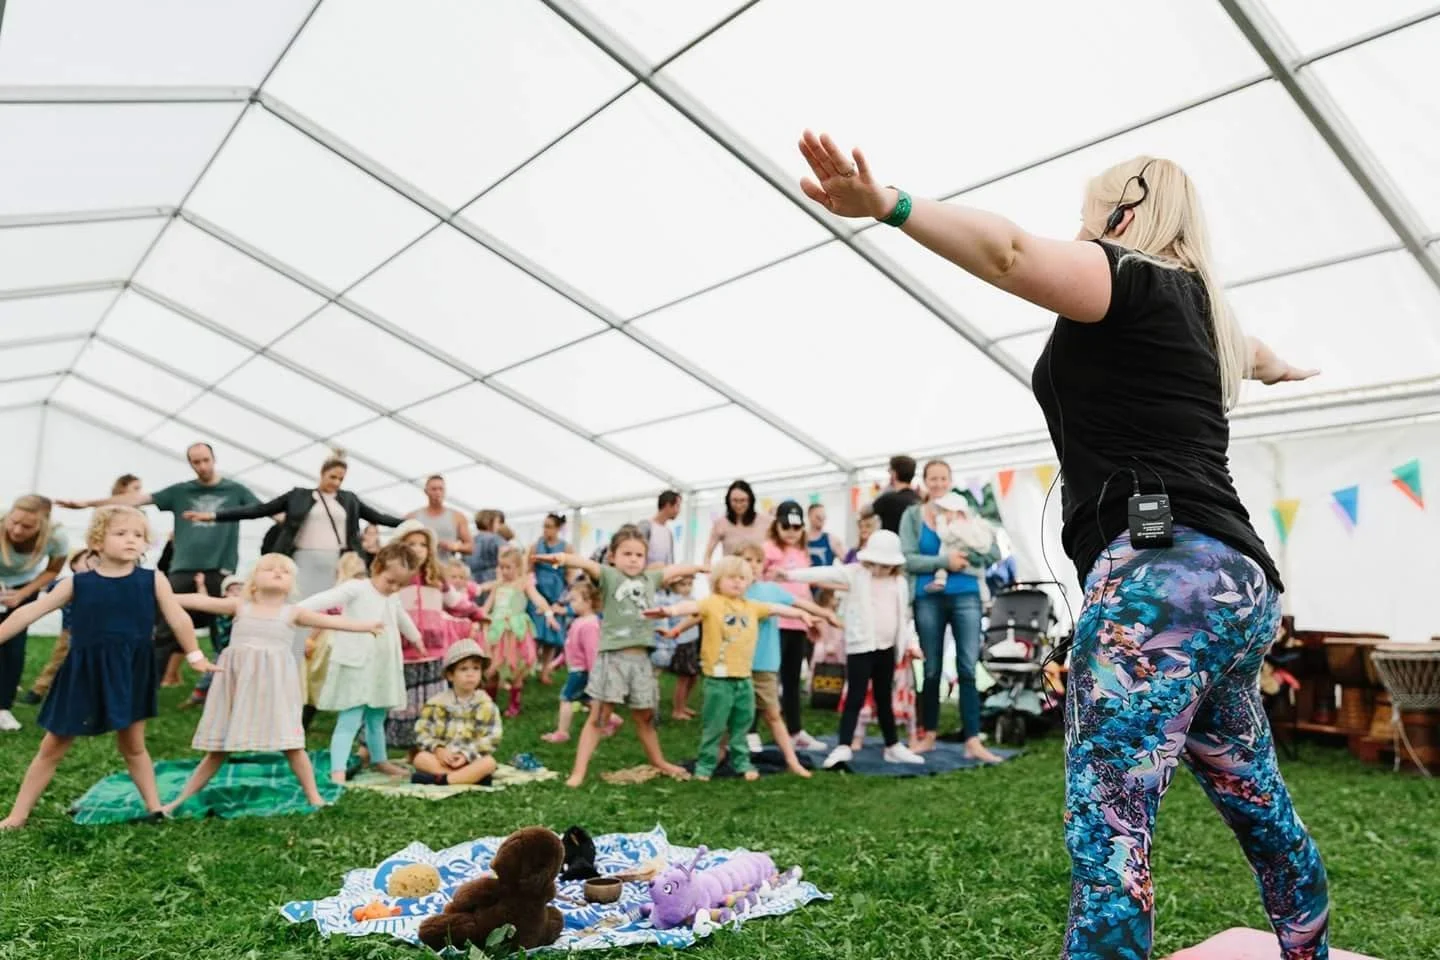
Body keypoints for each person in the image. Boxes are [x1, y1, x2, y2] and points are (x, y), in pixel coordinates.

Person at [797, 131, 1325, 959]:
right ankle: (1308, 946)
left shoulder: (1124, 275)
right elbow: (1253, 357)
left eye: (1088, 212)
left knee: (1111, 824)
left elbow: (1007, 252)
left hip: (1163, 586)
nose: (1078, 229)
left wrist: (889, 206)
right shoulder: (1210, 312)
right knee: (1256, 797)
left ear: (1124, 210)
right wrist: (1282, 367)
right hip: (1239, 584)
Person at [0, 506, 216, 829]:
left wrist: (196, 654)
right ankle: (18, 815)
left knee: (134, 745)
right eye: (121, 533)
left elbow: (178, 617)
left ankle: (155, 807)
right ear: (97, 542)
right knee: (53, 745)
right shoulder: (76, 583)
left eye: (139, 535)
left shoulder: (152, 580)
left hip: (131, 671)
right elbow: (27, 613)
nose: (131, 540)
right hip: (83, 672)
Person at [162, 554, 383, 815]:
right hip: (238, 686)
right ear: (253, 581)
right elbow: (202, 601)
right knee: (218, 750)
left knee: (292, 745)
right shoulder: (240, 606)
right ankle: (181, 799)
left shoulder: (293, 612)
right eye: (269, 569)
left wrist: (367, 625)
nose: (278, 573)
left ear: (292, 584)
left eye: (285, 571)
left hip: (274, 688)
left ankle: (314, 798)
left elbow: (332, 621)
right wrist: (166, 596)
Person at [59, 443, 261, 683]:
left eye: (206, 460)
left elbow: (266, 509)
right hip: (182, 566)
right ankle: (148, 683)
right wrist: (88, 503)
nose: (202, 466)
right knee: (164, 625)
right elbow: (138, 499)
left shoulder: (235, 490)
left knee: (222, 627)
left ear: (214, 459)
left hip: (220, 567)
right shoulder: (181, 491)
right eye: (196, 462)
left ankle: (221, 683)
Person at [182, 450, 405, 664]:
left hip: (336, 567)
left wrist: (409, 523)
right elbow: (257, 510)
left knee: (329, 619)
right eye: (332, 476)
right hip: (302, 563)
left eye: (341, 478)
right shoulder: (298, 496)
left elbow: (379, 517)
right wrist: (212, 515)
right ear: (322, 473)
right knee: (298, 614)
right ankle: (289, 662)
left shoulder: (350, 500)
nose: (336, 482)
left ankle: (321, 679)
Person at [534, 529, 706, 787]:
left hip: (641, 663)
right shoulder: (609, 576)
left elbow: (676, 569)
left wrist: (703, 567)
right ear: (613, 557)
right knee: (599, 717)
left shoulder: (651, 578)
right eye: (627, 553)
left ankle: (659, 761)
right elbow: (585, 563)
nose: (634, 559)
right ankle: (578, 772)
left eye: (639, 555)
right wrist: (561, 557)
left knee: (645, 717)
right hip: (613, 659)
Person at [648, 556, 816, 782]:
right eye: (731, 578)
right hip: (718, 680)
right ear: (717, 581)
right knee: (715, 726)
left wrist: (802, 614)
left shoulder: (752, 606)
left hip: (744, 678)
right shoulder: (712, 603)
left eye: (742, 578)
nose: (738, 583)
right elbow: (690, 607)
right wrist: (669, 612)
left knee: (741, 725)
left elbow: (778, 608)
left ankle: (741, 762)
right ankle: (706, 765)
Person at [781, 530, 926, 769]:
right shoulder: (856, 574)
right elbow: (825, 571)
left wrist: (909, 643)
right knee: (855, 696)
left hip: (887, 647)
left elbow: (903, 616)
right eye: (876, 564)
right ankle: (844, 745)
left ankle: (892, 746)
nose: (879, 570)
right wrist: (788, 574)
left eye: (885, 565)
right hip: (862, 647)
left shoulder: (899, 583)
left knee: (883, 696)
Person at [298, 540, 425, 784]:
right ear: (377, 567)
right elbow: (325, 599)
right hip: (356, 665)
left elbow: (401, 617)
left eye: (401, 584)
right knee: (350, 716)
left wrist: (416, 638)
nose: (394, 587)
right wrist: (295, 610)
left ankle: (380, 760)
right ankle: (337, 770)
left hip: (382, 665)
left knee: (377, 716)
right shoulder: (357, 588)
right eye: (391, 581)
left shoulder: (392, 596)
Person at [901, 460, 1001, 761]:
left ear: (950, 480)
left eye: (943, 478)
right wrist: (944, 562)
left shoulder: (965, 511)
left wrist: (964, 557)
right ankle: (928, 734)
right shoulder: (913, 515)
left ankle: (973, 740)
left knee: (968, 667)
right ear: (925, 481)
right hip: (927, 597)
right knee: (930, 669)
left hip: (966, 595)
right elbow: (907, 559)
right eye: (933, 478)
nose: (938, 483)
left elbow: (993, 552)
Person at [762, 500, 827, 750]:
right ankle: (752, 730)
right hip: (773, 622)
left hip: (797, 623)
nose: (791, 531)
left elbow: (805, 589)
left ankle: (795, 730)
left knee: (792, 680)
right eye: (785, 526)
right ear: (776, 525)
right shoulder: (767, 550)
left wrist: (812, 619)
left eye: (796, 527)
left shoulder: (803, 553)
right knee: (766, 677)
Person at [0, 495, 68, 732]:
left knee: (13, 647)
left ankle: (3, 708)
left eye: (27, 526)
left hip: (23, 588)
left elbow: (52, 570)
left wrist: (21, 595)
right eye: (13, 522)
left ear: (43, 525)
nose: (17, 530)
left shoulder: (57, 538)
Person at [481, 546, 560, 718]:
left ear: (517, 567)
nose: (504, 571)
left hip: (515, 631)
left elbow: (538, 598)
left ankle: (514, 705)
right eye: (501, 567)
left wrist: (548, 614)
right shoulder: (498, 585)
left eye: (508, 567)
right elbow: (487, 606)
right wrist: (478, 618)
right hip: (498, 630)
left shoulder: (523, 583)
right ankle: (489, 704)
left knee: (516, 668)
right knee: (492, 669)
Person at [411, 639, 502, 787]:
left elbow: (492, 738)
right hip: (442, 759)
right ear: (450, 675)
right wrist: (438, 749)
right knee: (420, 758)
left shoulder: (486, 705)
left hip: (471, 759)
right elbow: (421, 732)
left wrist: (466, 755)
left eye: (476, 668)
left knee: (489, 763)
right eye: (463, 669)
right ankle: (468, 779)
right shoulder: (436, 703)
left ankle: (444, 780)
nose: (470, 674)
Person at [19, 547, 96, 708]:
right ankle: (38, 691)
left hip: (95, 634)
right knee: (57, 662)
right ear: (74, 565)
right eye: (87, 561)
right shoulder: (64, 584)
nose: (92, 565)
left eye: (97, 562)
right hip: (69, 632)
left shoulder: (100, 585)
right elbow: (43, 587)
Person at [541, 579, 602, 744]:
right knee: (587, 700)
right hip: (578, 669)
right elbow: (571, 647)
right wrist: (556, 662)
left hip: (582, 671)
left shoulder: (590, 625)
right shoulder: (578, 621)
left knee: (566, 698)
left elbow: (592, 652)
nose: (570, 604)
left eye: (574, 600)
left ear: (588, 602)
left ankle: (562, 732)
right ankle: (611, 720)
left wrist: (594, 674)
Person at [180, 573, 243, 710]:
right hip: (220, 651)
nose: (238, 592)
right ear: (225, 593)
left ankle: (229, 703)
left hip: (238, 653)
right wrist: (200, 584)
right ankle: (198, 696)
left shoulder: (243, 612)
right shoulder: (218, 609)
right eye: (233, 589)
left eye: (241, 589)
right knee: (210, 675)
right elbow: (203, 600)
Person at [527, 513, 571, 685]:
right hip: (538, 593)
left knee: (551, 637)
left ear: (558, 528)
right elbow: (529, 570)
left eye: (550, 526)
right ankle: (529, 667)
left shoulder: (566, 548)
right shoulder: (535, 546)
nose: (546, 530)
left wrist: (561, 600)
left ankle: (545, 671)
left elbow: (570, 575)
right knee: (535, 633)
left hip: (557, 594)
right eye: (544, 526)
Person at [406, 475, 473, 563]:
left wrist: (454, 546)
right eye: (434, 489)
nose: (438, 492)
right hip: (419, 569)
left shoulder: (457, 517)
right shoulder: (412, 517)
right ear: (426, 491)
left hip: (446, 569)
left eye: (441, 489)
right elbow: (402, 545)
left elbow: (470, 547)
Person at [701, 480, 772, 561]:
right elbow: (708, 554)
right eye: (735, 500)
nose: (738, 505)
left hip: (759, 573)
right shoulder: (720, 524)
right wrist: (709, 571)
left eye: (742, 500)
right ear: (728, 501)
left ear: (750, 500)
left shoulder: (766, 521)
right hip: (730, 572)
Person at [870, 456, 920, 534]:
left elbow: (864, 512)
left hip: (890, 545)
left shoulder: (887, 499)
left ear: (894, 474)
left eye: (890, 471)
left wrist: (884, 491)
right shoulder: (920, 500)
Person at [637, 490, 682, 567]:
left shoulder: (668, 532)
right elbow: (636, 553)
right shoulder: (645, 526)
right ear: (668, 505)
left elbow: (670, 560)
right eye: (677, 506)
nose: (679, 511)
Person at [467, 509, 507, 584]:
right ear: (488, 522)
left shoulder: (470, 540)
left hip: (471, 581)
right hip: (492, 581)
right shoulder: (496, 539)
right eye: (498, 522)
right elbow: (506, 558)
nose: (500, 525)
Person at [805, 502, 844, 569]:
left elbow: (848, 562)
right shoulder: (800, 539)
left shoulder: (832, 539)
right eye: (818, 516)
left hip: (824, 579)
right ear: (809, 516)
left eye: (823, 516)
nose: (821, 519)